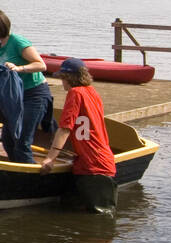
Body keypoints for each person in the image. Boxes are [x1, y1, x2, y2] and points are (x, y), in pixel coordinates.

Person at [0, 8, 52, 164]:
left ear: (1, 25)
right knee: (7, 139)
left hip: (34, 94)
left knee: (21, 141)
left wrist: (19, 68)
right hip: (15, 98)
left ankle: (30, 177)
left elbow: (41, 65)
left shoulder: (17, 42)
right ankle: (18, 170)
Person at [39, 58, 117, 211]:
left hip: (93, 166)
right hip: (97, 162)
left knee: (99, 220)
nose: (62, 82)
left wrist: (50, 158)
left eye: (62, 78)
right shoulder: (92, 92)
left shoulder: (75, 93)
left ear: (69, 77)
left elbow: (65, 128)